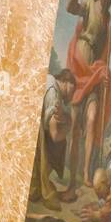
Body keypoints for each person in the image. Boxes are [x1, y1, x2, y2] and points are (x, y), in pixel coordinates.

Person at [62, 0, 111, 198]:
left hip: (92, 75)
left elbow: (105, 54)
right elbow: (69, 6)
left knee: (92, 119)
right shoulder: (89, 6)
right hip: (78, 69)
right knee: (74, 126)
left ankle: (85, 172)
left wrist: (103, 72)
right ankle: (72, 178)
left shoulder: (108, 21)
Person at [31, 70, 76, 205]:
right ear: (65, 81)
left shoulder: (49, 79)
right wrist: (69, 126)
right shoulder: (54, 94)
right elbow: (55, 135)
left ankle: (37, 183)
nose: (72, 96)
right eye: (72, 88)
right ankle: (37, 185)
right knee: (59, 143)